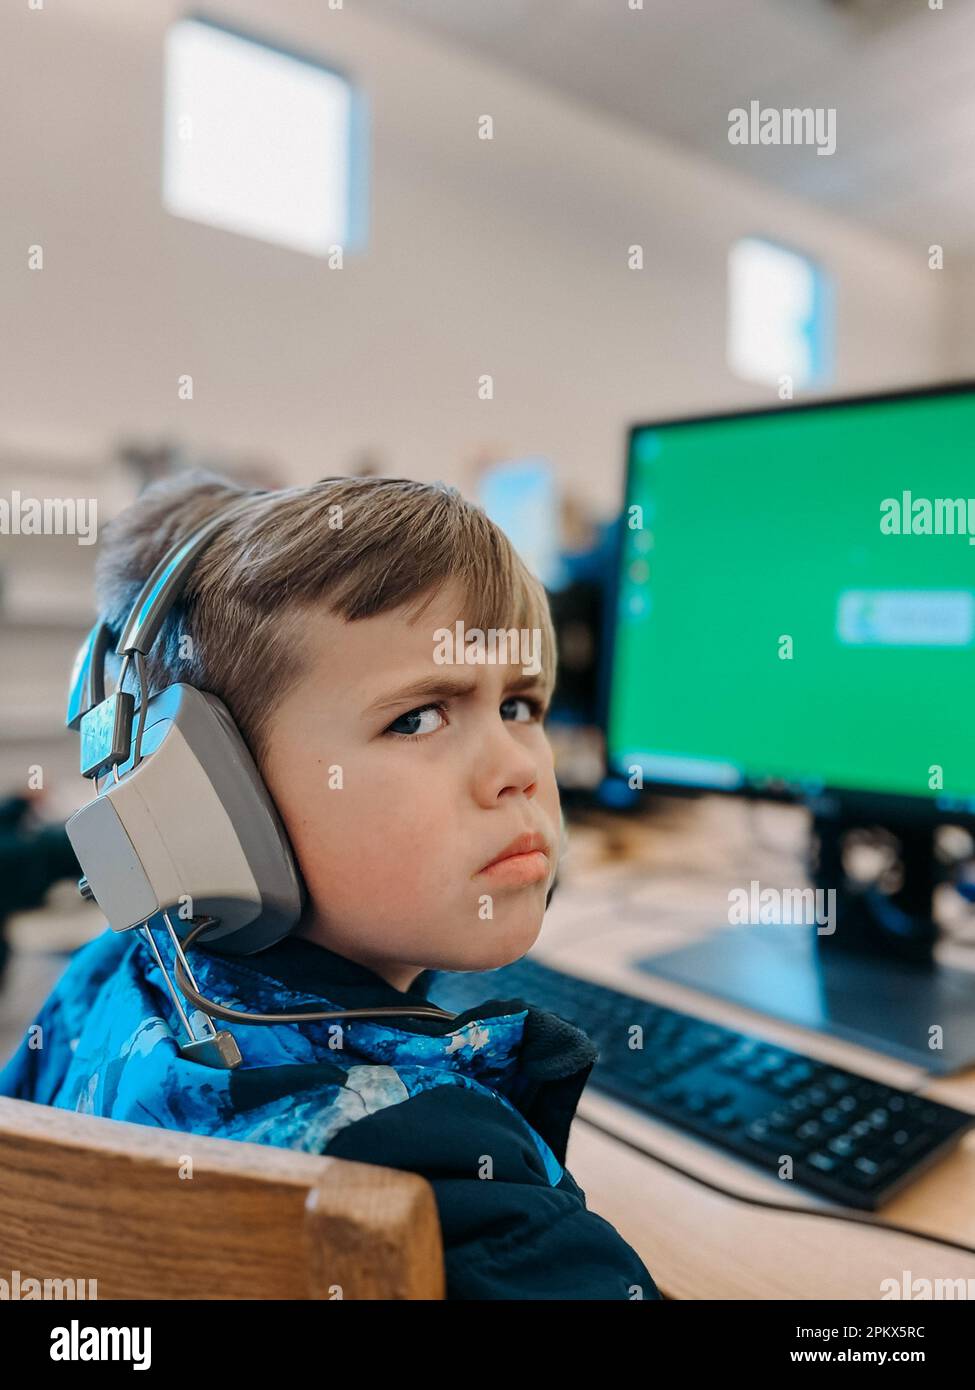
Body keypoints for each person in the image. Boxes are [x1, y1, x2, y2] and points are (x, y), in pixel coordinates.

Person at [0, 471, 660, 1301]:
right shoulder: (450, 1193)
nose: (515, 770)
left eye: (521, 706)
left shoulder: (110, 974)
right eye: (417, 717)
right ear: (209, 797)